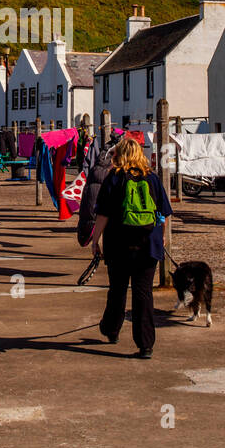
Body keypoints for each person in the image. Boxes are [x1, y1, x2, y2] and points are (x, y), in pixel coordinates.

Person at [87, 136, 172, 359]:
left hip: (119, 243)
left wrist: (95, 241)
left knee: (118, 289)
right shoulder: (152, 178)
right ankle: (146, 345)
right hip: (148, 243)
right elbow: (163, 213)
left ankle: (111, 330)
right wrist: (162, 238)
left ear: (120, 155)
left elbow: (103, 214)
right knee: (143, 293)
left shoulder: (113, 178)